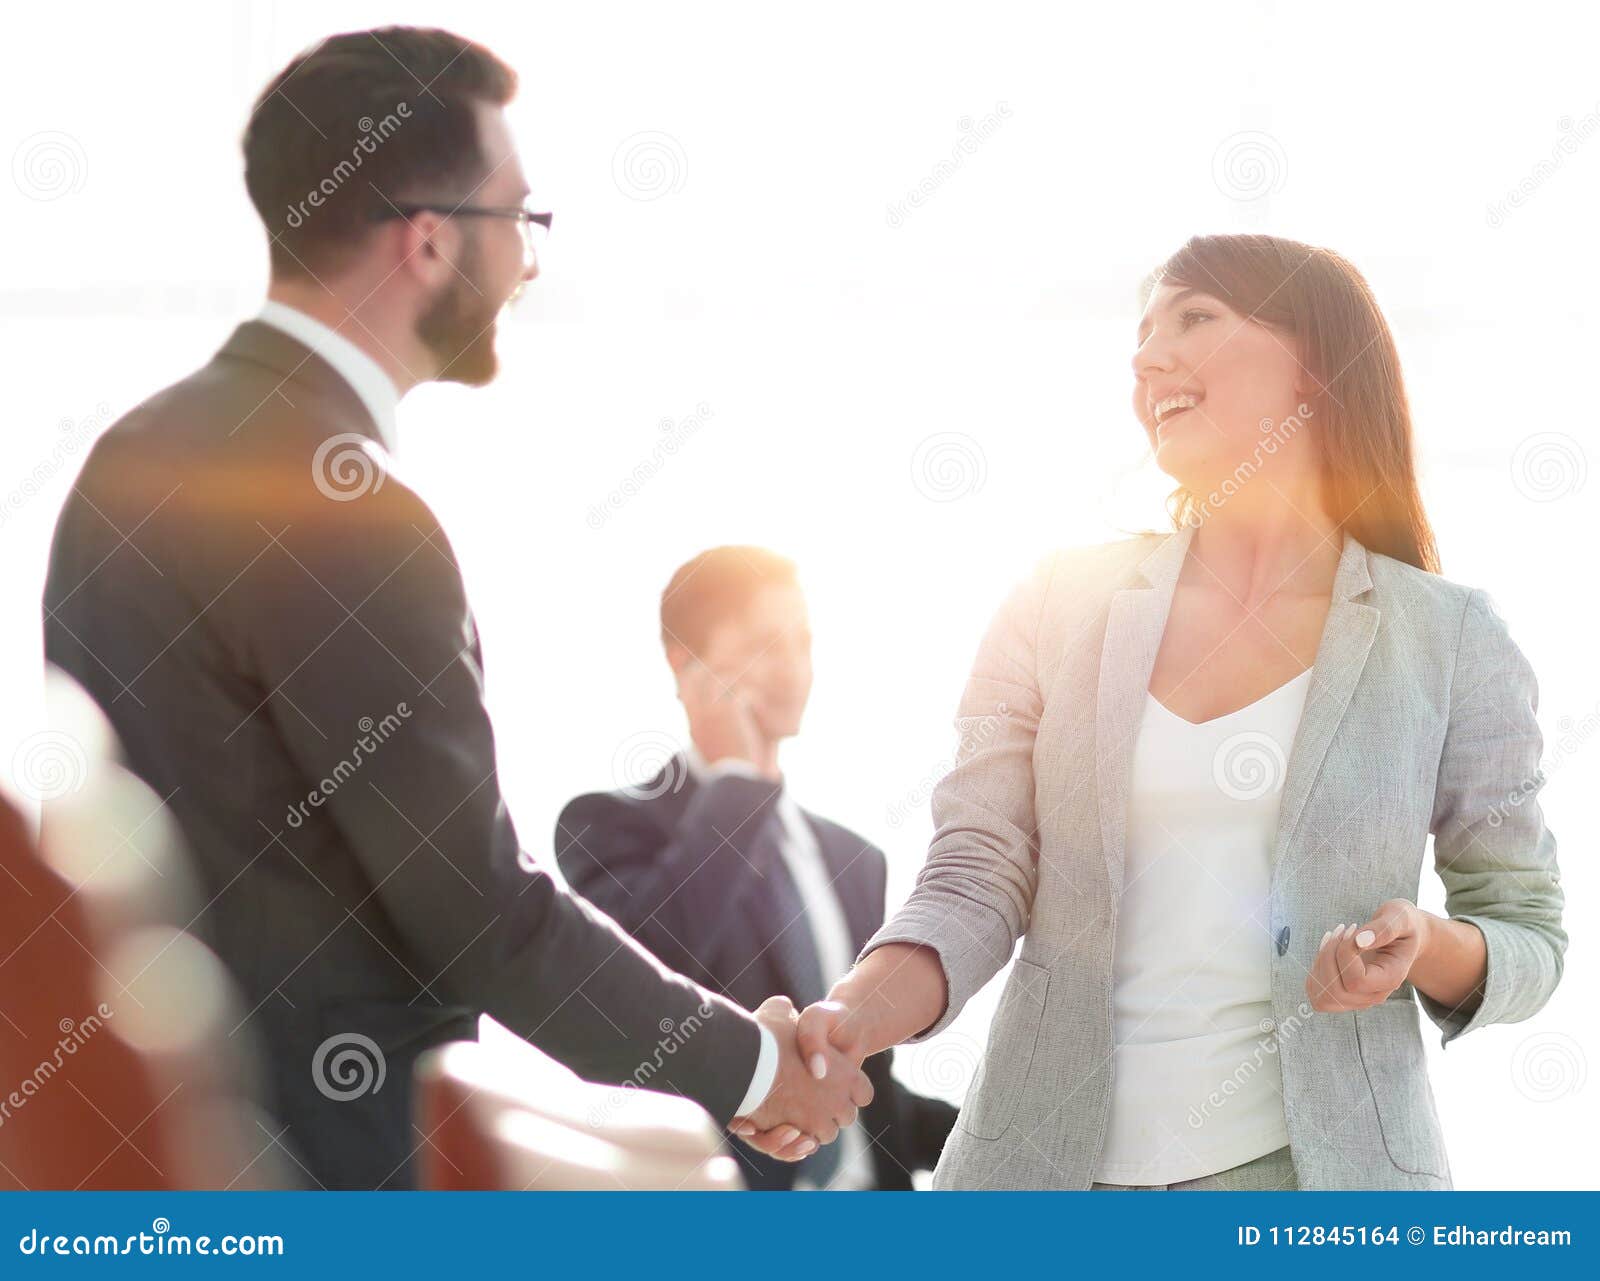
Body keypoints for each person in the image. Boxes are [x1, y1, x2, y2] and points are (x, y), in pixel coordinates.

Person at [40, 26, 866, 1190]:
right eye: (520, 221)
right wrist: (756, 1067)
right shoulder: (347, 505)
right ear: (428, 239)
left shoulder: (129, 460)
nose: (530, 264)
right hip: (331, 1170)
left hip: (139, 1164)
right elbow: (476, 913)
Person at [793, 233, 1567, 1191]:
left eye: (1194, 318)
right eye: (1142, 333)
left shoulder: (1450, 638)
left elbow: (1527, 930)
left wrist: (1424, 944)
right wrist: (850, 1018)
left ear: (1315, 363)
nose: (1147, 356)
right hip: (1037, 1177)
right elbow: (974, 877)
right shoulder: (1054, 601)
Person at [555, 546, 959, 1189]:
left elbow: (865, 1094)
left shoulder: (854, 861)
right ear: (684, 664)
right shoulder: (605, 826)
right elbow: (641, 978)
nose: (794, 668)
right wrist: (740, 782)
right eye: (765, 644)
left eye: (803, 642)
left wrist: (1005, 1130)